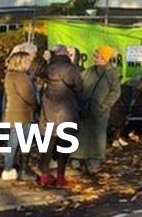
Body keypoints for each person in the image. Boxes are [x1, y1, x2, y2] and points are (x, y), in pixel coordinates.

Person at [38, 44, 83, 188]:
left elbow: (38, 76)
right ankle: (60, 177)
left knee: (47, 143)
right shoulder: (72, 69)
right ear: (65, 54)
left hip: (48, 109)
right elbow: (80, 89)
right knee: (64, 145)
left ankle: (44, 176)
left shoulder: (48, 68)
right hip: (67, 110)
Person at [75, 46, 121, 173]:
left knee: (97, 136)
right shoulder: (90, 70)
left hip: (100, 110)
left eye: (97, 56)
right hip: (86, 107)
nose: (94, 59)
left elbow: (115, 92)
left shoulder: (112, 73)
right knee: (83, 134)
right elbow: (79, 82)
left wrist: (104, 106)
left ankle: (94, 162)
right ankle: (80, 159)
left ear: (104, 58)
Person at [2, 51, 37, 180]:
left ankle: (9, 167)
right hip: (23, 114)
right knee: (23, 143)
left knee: (13, 142)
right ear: (21, 62)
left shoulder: (10, 75)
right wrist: (36, 105)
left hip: (13, 113)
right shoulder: (21, 77)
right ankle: (19, 169)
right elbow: (28, 95)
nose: (30, 63)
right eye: (27, 61)